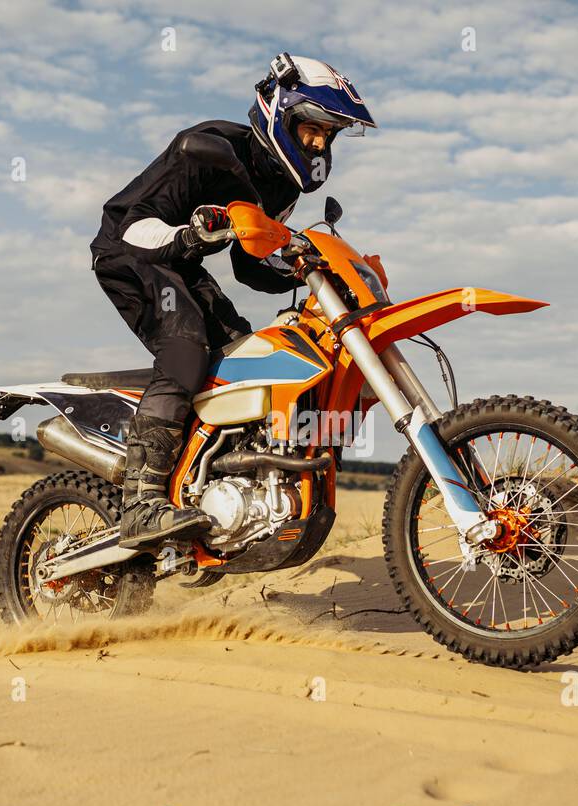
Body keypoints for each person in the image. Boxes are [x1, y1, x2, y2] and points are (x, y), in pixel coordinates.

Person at [89, 53, 376, 548]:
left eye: (328, 134)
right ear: (281, 111)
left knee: (242, 356)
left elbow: (250, 264)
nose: (319, 142)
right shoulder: (204, 150)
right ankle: (141, 502)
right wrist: (192, 234)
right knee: (185, 345)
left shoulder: (282, 183)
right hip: (129, 254)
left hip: (182, 263)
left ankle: (212, 487)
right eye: (313, 127)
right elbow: (136, 226)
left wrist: (307, 267)